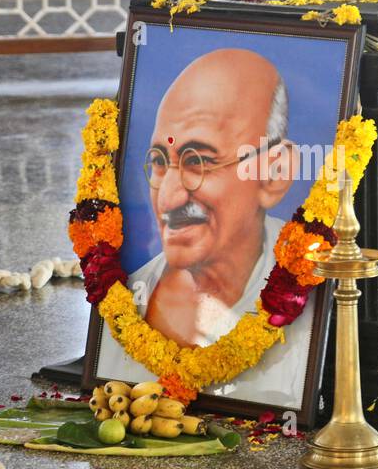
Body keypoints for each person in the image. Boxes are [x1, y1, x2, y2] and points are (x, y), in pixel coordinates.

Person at [95, 47, 315, 410]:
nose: (168, 197)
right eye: (159, 162)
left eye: (199, 161)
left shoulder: (316, 298)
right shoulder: (123, 301)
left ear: (275, 172)